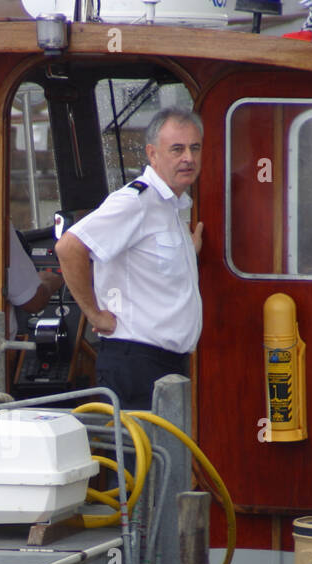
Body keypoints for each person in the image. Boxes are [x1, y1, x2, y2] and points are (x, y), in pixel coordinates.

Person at [55, 107, 204, 409]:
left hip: (163, 364)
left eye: (195, 148)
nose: (188, 157)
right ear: (152, 154)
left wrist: (188, 253)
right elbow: (69, 247)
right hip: (137, 364)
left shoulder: (171, 207)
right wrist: (94, 314)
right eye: (177, 149)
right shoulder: (135, 201)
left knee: (162, 456)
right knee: (142, 456)